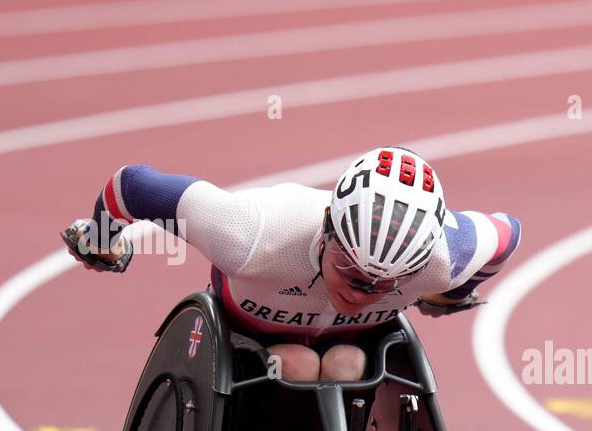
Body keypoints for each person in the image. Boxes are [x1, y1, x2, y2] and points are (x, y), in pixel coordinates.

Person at [62, 146, 521, 379]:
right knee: (297, 365)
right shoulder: (247, 231)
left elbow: (508, 232)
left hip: (354, 347)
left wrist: (450, 291)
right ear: (327, 227)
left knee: (345, 365)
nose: (361, 294)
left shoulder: (442, 258)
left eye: (384, 285)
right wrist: (103, 240)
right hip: (250, 338)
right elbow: (133, 186)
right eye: (353, 272)